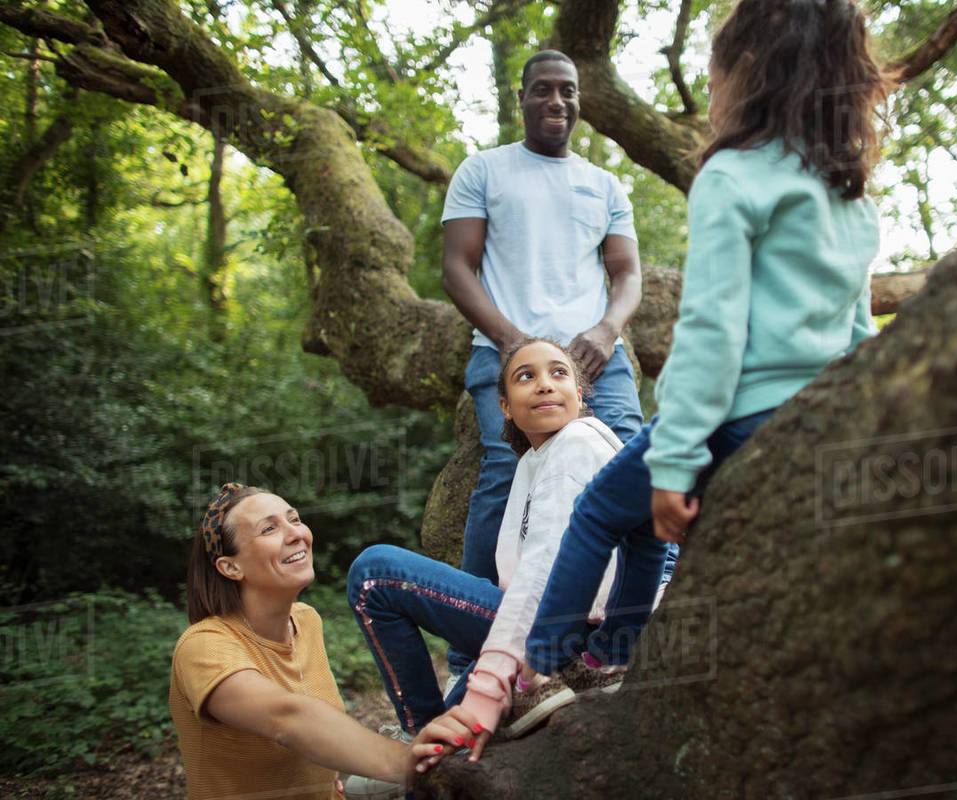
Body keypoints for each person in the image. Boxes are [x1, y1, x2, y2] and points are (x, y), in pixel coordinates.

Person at [524, 0, 891, 681]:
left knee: (597, 512)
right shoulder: (851, 195)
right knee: (634, 524)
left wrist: (676, 460)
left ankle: (539, 671)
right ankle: (614, 659)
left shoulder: (732, 175)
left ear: (746, 71)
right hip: (809, 419)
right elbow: (861, 336)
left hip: (732, 418)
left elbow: (713, 334)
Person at [344, 338, 640, 792]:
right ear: (504, 405)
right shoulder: (532, 463)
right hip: (546, 628)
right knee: (453, 724)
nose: (544, 384)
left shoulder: (578, 442)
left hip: (574, 631)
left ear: (581, 397)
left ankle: (416, 737)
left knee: (374, 573)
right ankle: (431, 749)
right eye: (526, 376)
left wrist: (497, 667)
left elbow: (548, 568)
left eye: (559, 373)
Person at [440, 49, 645, 687]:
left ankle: (622, 636)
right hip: (505, 352)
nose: (557, 102)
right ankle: (470, 654)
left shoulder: (604, 184)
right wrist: (510, 342)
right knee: (502, 472)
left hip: (593, 356)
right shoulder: (483, 170)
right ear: (521, 96)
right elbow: (456, 267)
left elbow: (628, 274)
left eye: (569, 92)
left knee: (634, 464)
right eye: (543, 91)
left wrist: (607, 332)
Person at [169, 484, 479, 800]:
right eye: (269, 529)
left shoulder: (305, 620)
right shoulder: (203, 645)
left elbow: (313, 740)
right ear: (230, 567)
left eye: (294, 519)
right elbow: (287, 717)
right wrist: (403, 760)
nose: (296, 534)